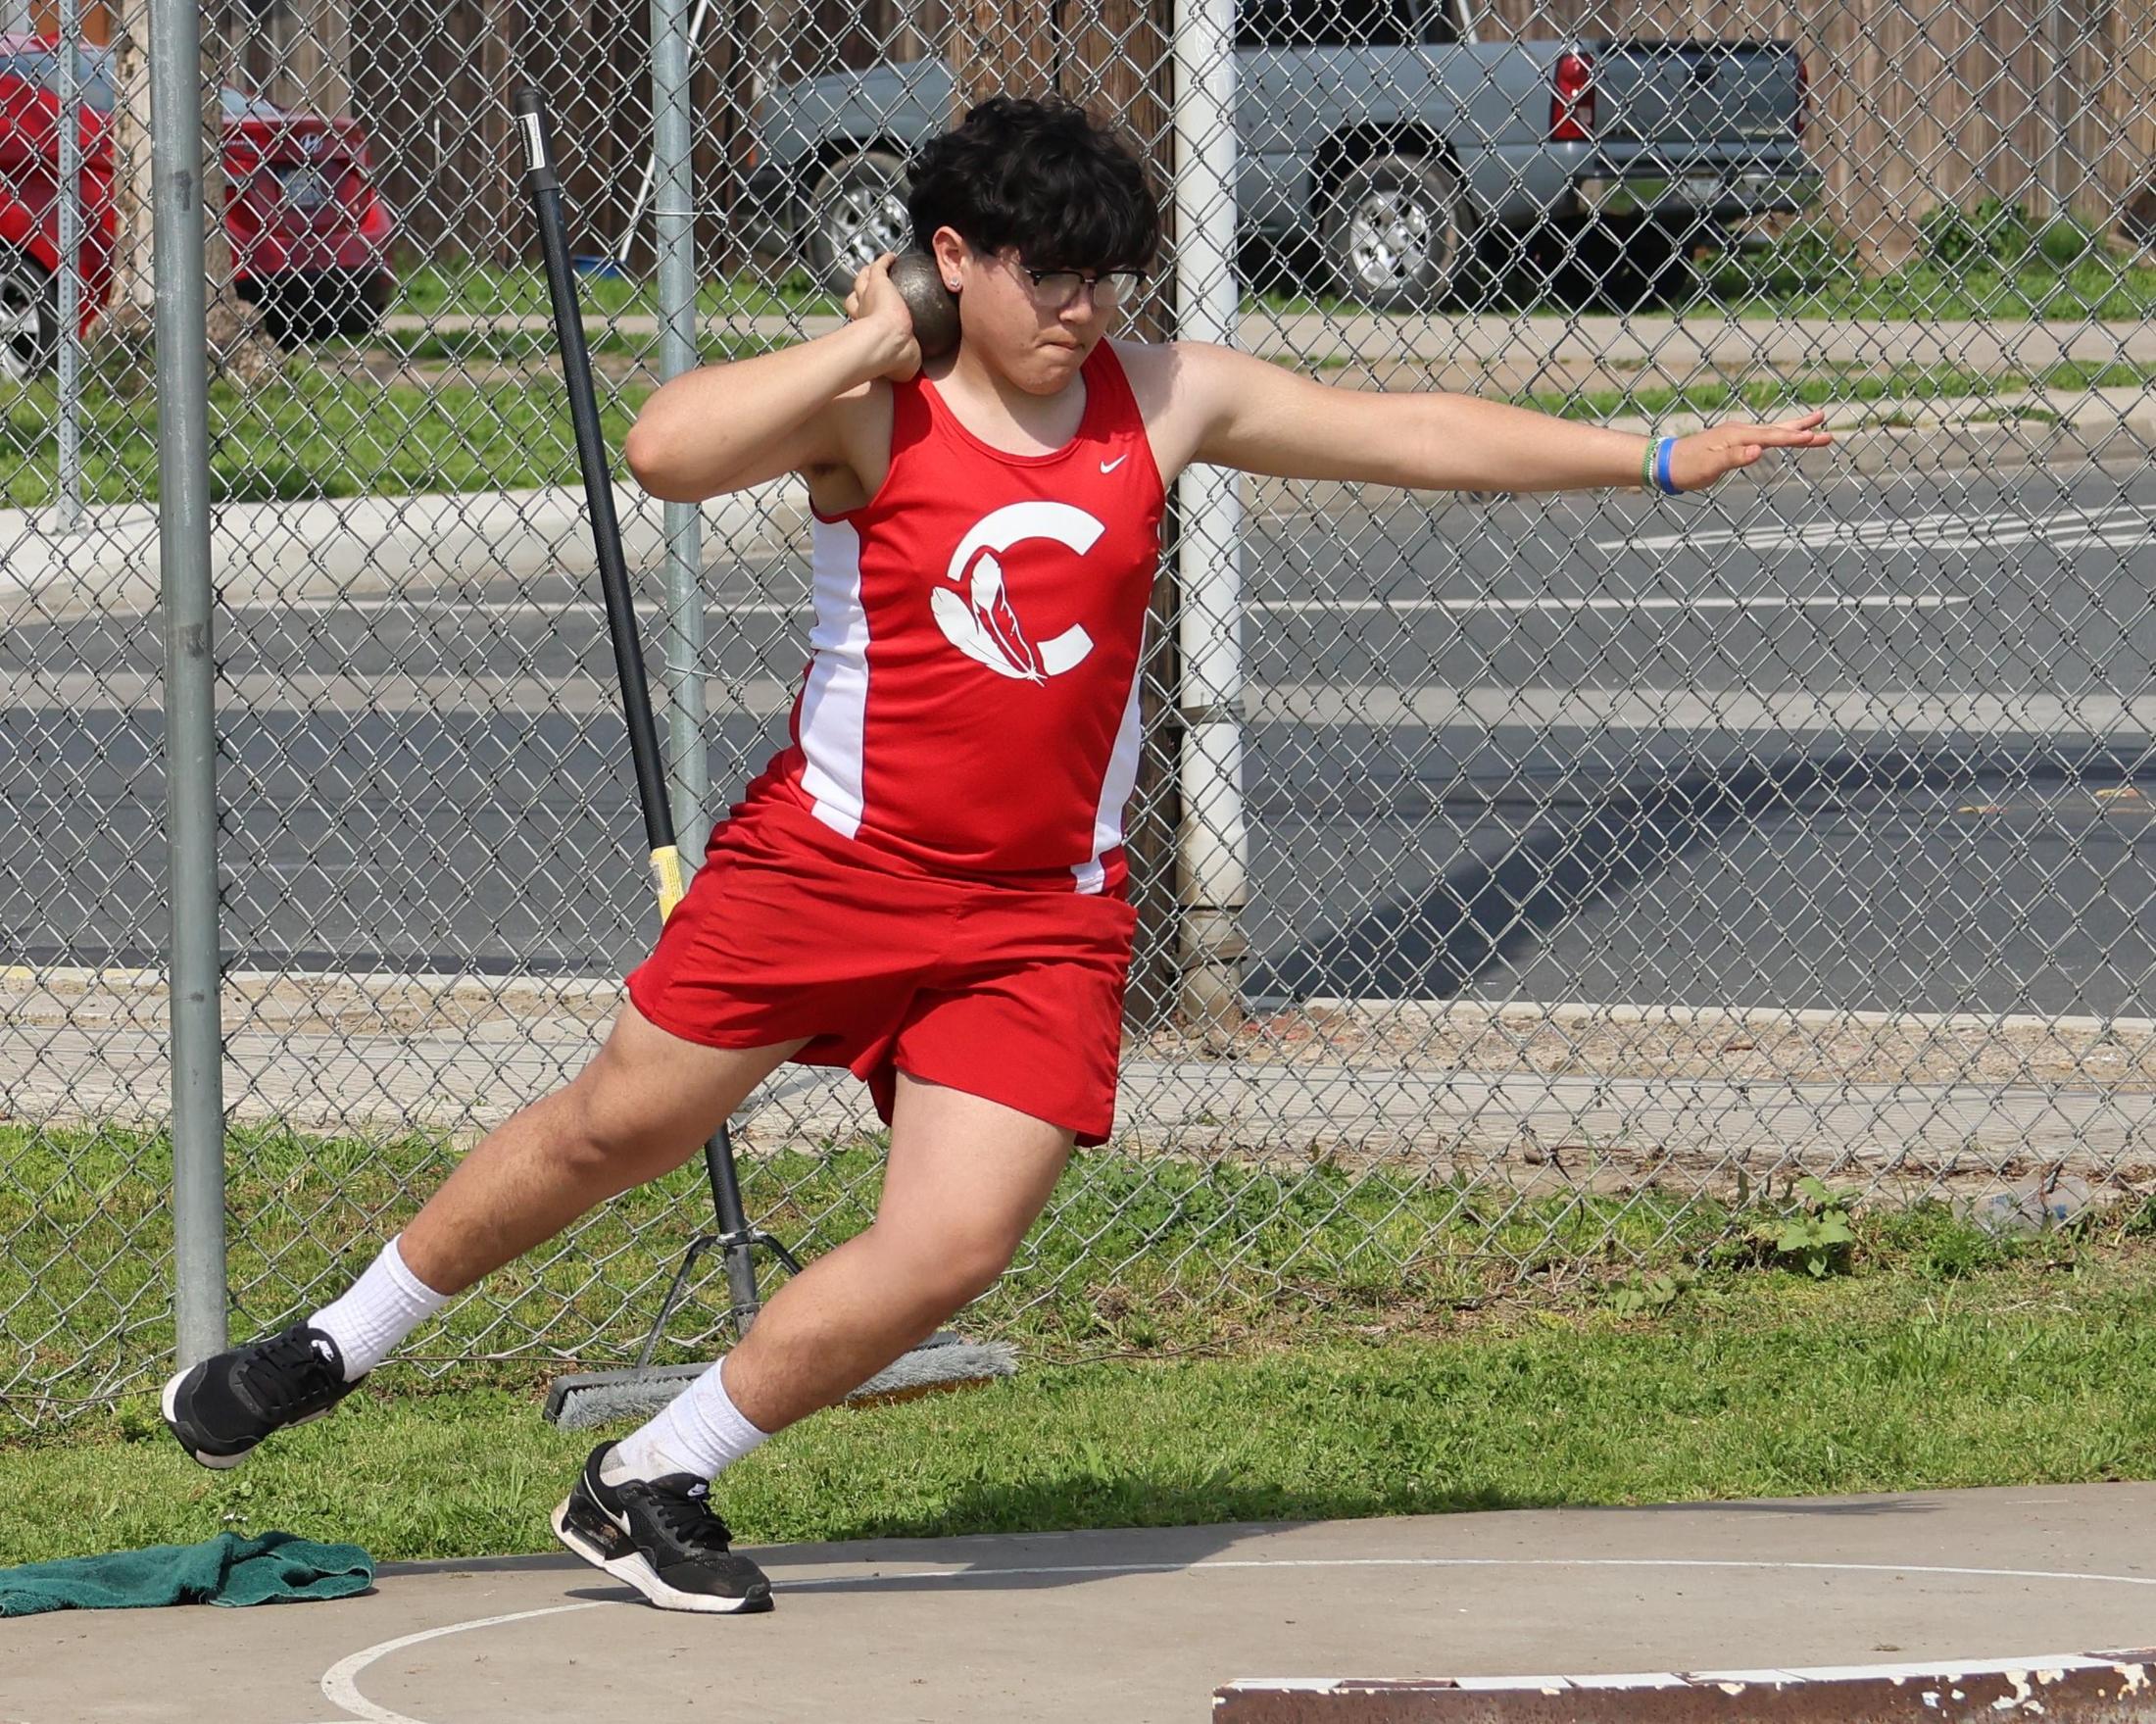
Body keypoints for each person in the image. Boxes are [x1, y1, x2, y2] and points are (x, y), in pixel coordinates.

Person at [159, 95, 1834, 1614]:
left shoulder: (1157, 397)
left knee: (955, 1243)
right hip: (828, 868)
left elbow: (1403, 431)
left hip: (1041, 914)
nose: (1085, 311)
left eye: (1110, 277)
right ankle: (332, 1344)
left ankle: (656, 1474)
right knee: (621, 1127)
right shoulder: (875, 414)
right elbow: (667, 453)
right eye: (1049, 278)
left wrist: (1657, 456)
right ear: (953, 256)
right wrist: (867, 340)